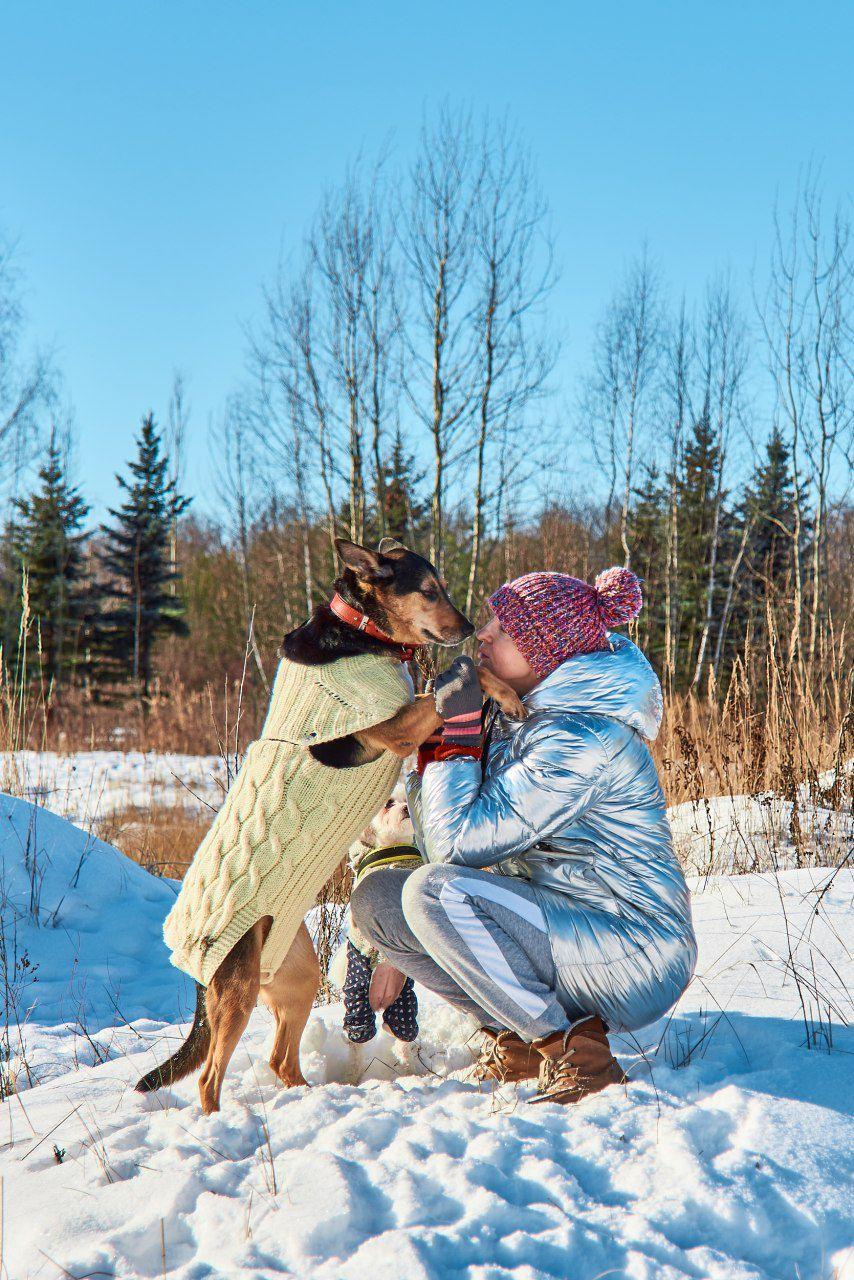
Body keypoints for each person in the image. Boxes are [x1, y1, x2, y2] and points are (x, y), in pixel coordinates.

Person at [350, 566, 698, 1105]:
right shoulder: (517, 719)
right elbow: (431, 828)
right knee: (378, 900)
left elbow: (454, 848)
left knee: (432, 891)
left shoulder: (585, 739)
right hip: (555, 928)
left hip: (634, 950)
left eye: (503, 627)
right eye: (489, 621)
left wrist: (458, 737)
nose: (482, 634)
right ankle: (515, 1036)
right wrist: (438, 733)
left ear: (546, 651)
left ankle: (572, 1054)